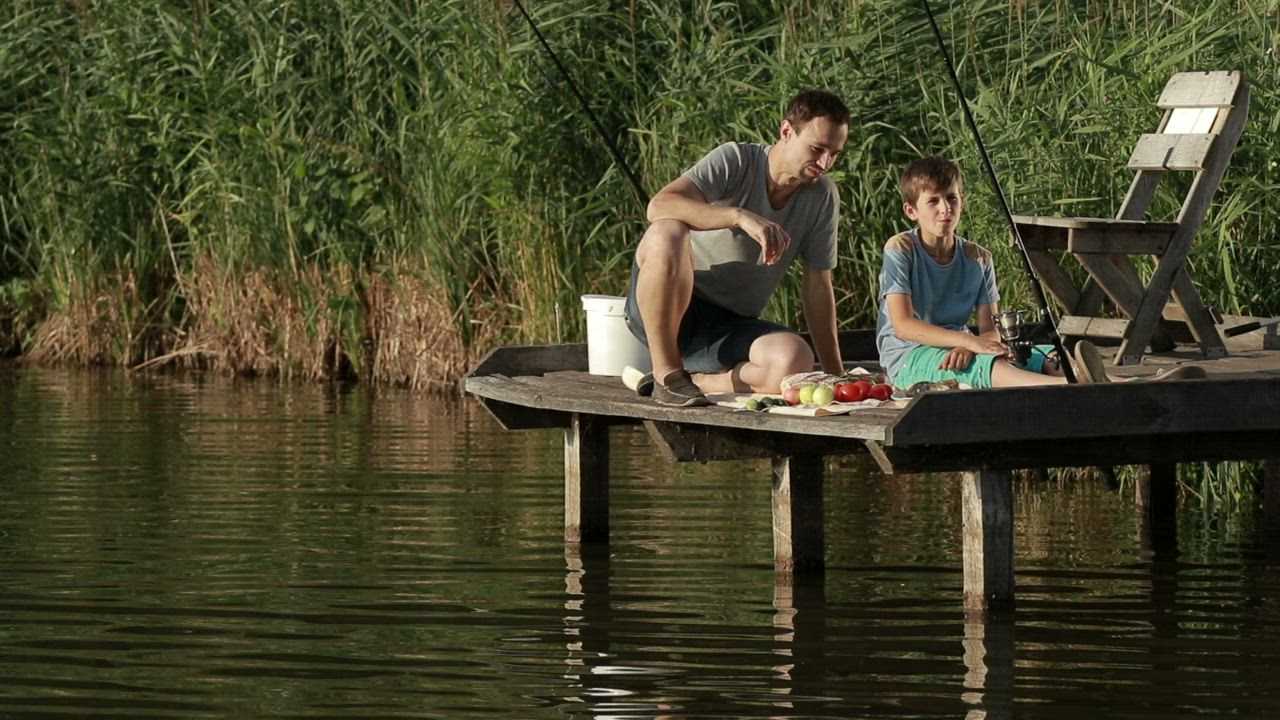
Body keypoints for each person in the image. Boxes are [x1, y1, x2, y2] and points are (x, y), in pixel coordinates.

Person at [876, 156, 1207, 390]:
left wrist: (976, 342)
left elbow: (992, 331)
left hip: (963, 346)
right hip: (909, 357)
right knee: (987, 365)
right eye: (933, 201)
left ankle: (1137, 383)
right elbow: (904, 326)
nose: (945, 209)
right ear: (912, 211)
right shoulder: (901, 249)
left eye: (951, 198)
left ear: (962, 199)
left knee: (1042, 353)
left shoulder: (978, 258)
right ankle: (1071, 387)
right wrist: (969, 342)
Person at [622, 89, 850, 407]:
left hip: (728, 327)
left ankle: (700, 381)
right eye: (817, 148)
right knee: (667, 230)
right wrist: (738, 216)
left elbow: (818, 286)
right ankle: (666, 374)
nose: (825, 162)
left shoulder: (822, 196)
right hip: (670, 306)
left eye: (835, 153)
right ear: (786, 131)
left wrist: (835, 375)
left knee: (795, 358)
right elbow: (659, 205)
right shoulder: (737, 160)